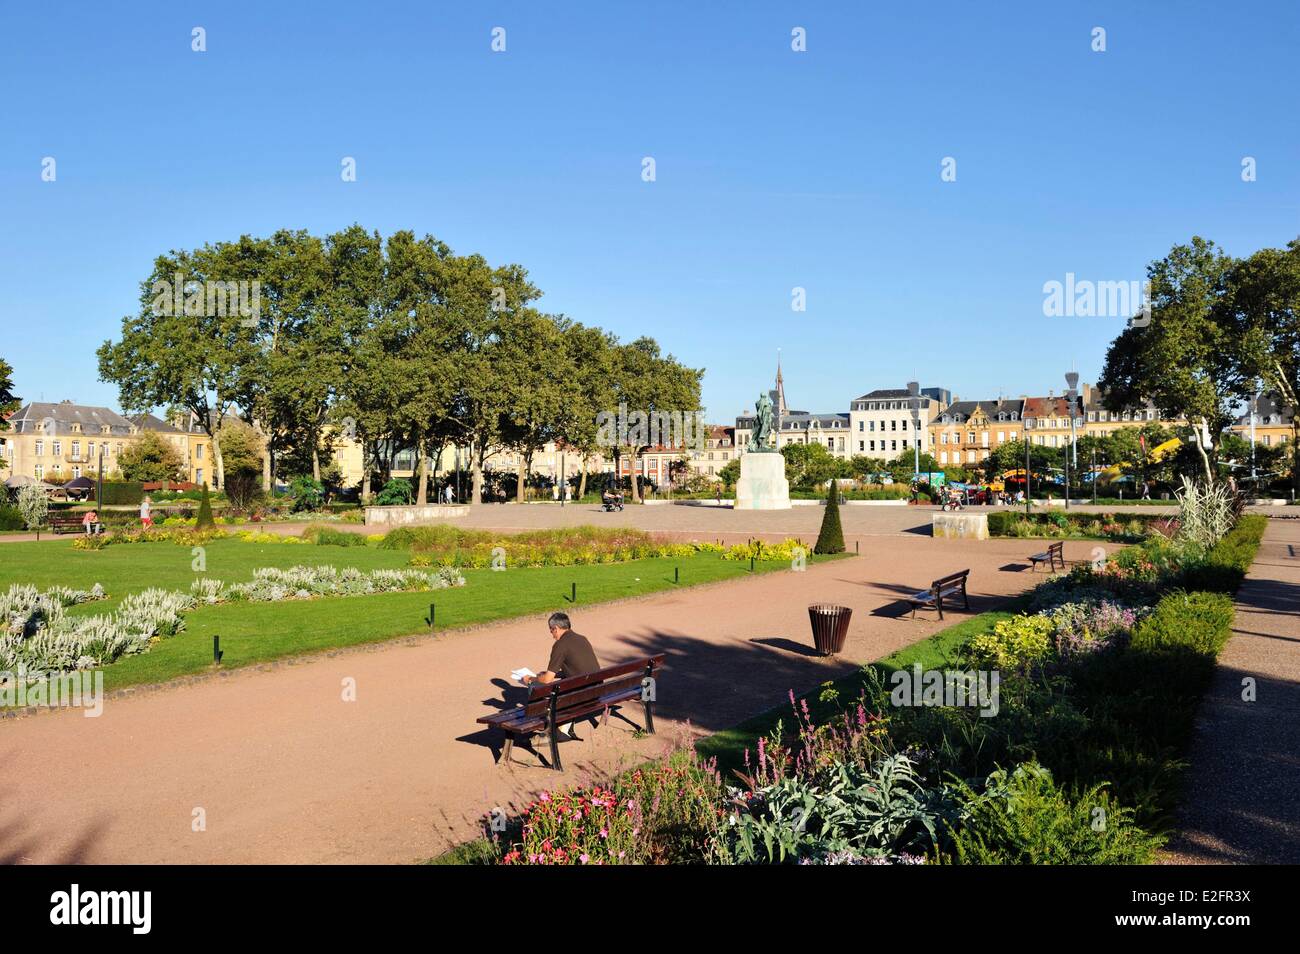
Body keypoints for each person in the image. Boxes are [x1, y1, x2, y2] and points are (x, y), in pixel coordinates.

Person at [522, 612, 600, 686]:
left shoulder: (560, 645)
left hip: (581, 692)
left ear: (556, 628)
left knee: (537, 690)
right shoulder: (582, 639)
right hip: (598, 687)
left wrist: (531, 679)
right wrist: (553, 673)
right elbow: (579, 668)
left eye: (551, 629)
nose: (551, 632)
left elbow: (547, 680)